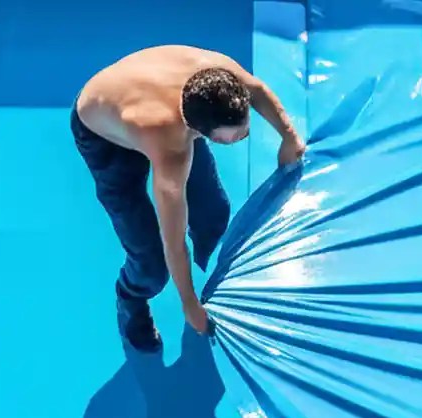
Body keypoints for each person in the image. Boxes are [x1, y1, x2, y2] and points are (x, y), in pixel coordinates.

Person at [72, 45, 306, 352]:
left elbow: (258, 90)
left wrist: (289, 137)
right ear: (198, 132)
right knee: (151, 265)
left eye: (244, 125)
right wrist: (190, 304)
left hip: (146, 104)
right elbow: (173, 240)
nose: (245, 135)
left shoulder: (219, 75)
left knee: (214, 214)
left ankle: (218, 281)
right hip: (104, 134)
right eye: (235, 135)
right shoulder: (172, 147)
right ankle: (130, 299)